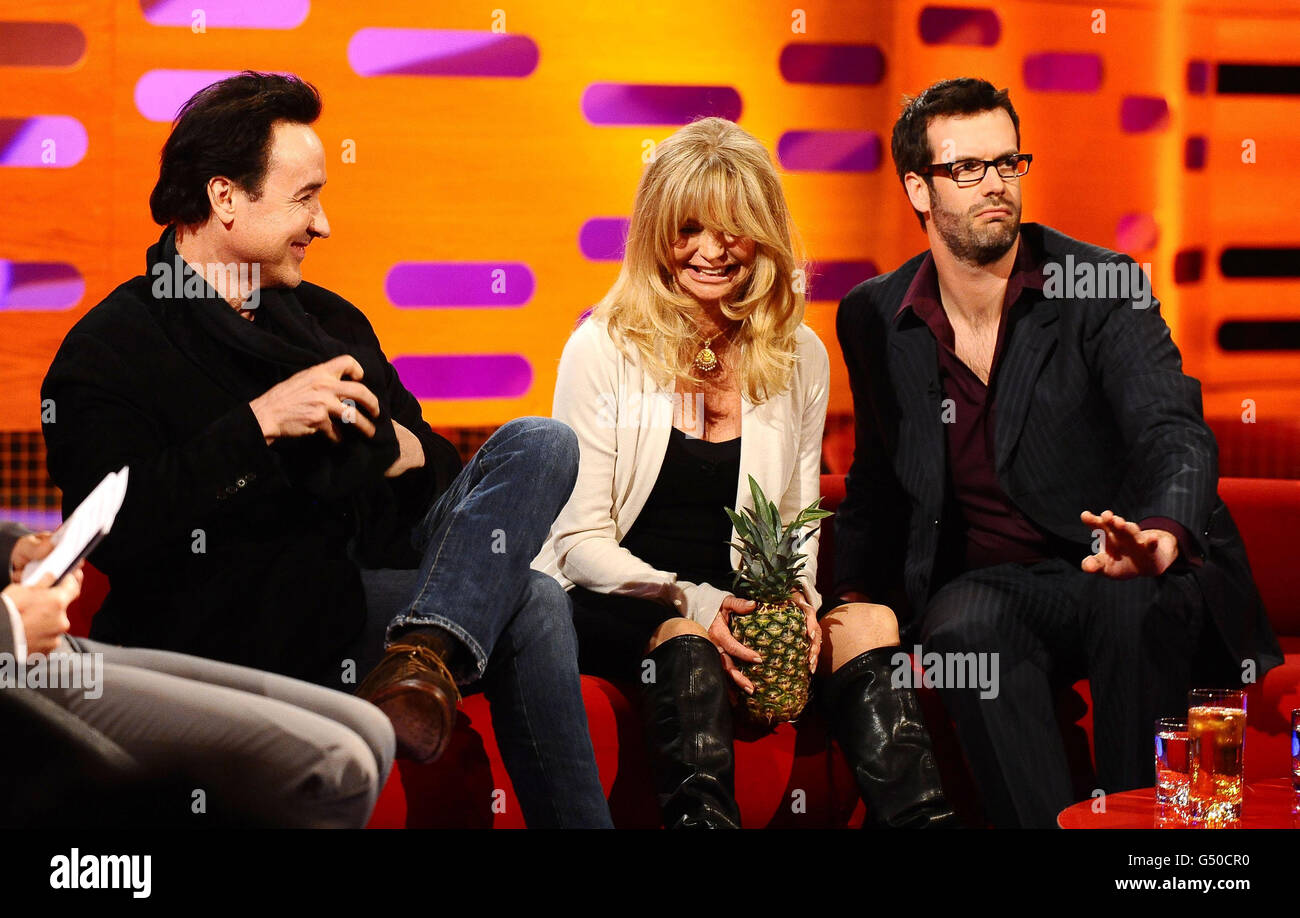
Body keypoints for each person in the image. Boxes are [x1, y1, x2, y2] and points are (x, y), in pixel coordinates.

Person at [40, 72, 611, 828]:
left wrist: (398, 453)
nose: (325, 224)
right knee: (534, 599)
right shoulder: (111, 347)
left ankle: (421, 655)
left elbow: (432, 474)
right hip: (225, 625)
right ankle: (425, 658)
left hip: (354, 595)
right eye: (305, 197)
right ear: (225, 198)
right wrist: (260, 425)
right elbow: (112, 528)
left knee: (542, 441)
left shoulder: (331, 320)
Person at [834, 77, 1283, 828]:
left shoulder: (1098, 285)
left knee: (1125, 596)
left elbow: (1175, 431)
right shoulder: (873, 315)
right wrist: (848, 598)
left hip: (1128, 565)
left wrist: (1161, 535)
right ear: (919, 187)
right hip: (1002, 584)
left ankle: (1143, 850)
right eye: (968, 169)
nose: (996, 185)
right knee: (959, 622)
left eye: (1009, 163)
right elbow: (878, 478)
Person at [535, 117, 956, 829]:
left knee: (870, 622)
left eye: (731, 228)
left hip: (748, 599)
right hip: (629, 599)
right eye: (686, 228)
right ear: (654, 234)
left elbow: (794, 517)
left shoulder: (799, 354)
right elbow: (578, 543)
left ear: (762, 233)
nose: (708, 251)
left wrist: (796, 598)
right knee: (686, 638)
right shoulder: (601, 348)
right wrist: (696, 604)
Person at [0, 521, 393, 828]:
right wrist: (10, 627)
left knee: (373, 729)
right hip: (11, 672)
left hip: (43, 650)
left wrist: (10, 551)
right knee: (337, 766)